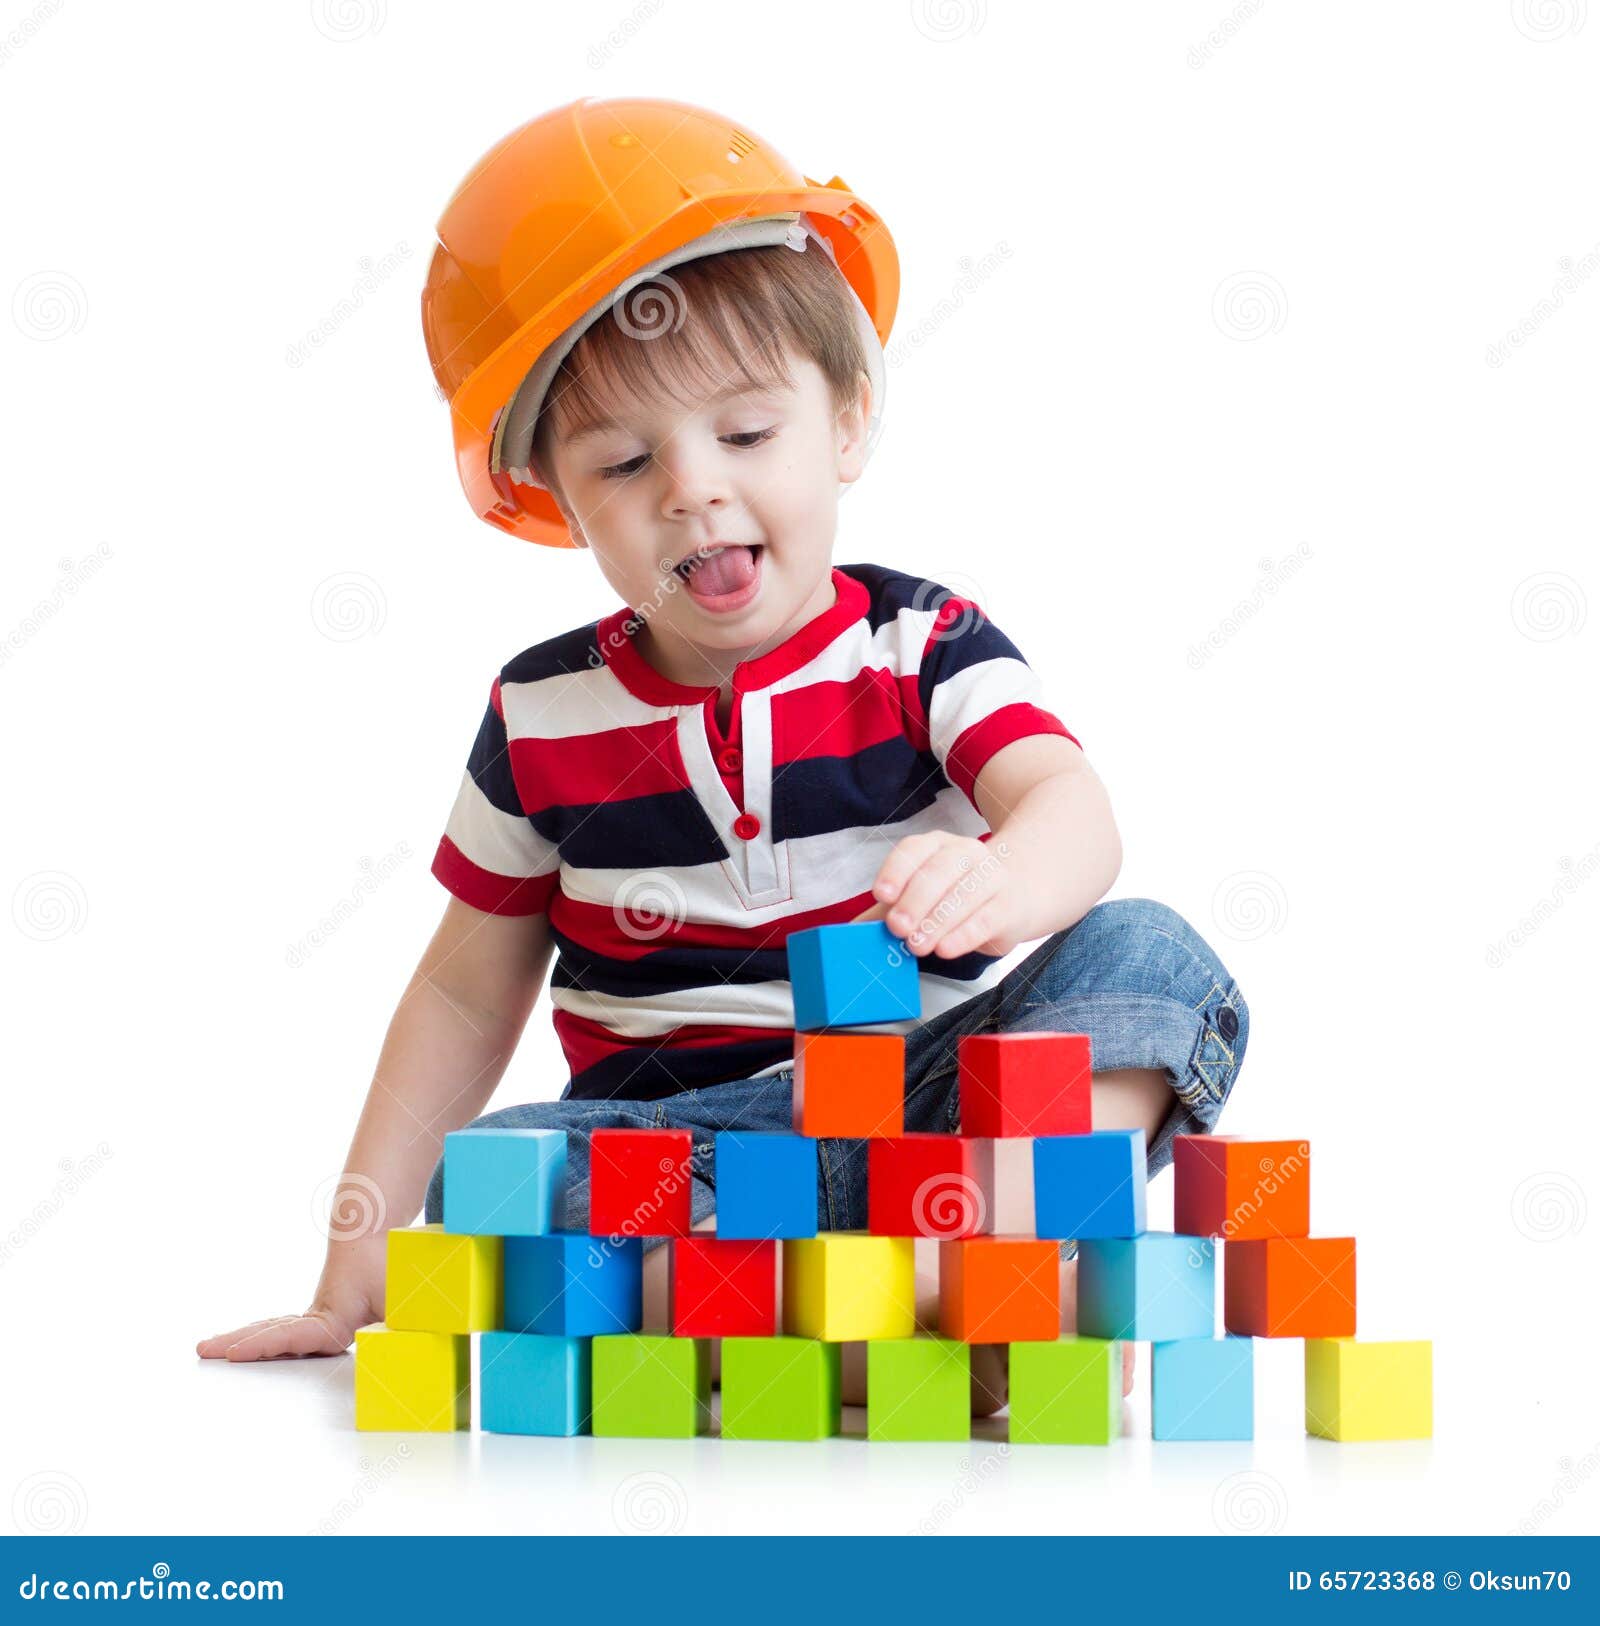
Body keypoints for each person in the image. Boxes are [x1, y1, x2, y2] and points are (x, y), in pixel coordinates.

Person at [197, 98, 1250, 1415]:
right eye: (627, 462)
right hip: (677, 1151)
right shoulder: (539, 715)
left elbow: (1067, 805)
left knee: (1150, 948)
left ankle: (1007, 1253)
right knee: (495, 1173)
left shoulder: (919, 642)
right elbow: (465, 995)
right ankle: (853, 1322)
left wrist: (1013, 881)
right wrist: (352, 1274)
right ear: (559, 502)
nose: (693, 488)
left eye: (746, 435)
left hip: (937, 1113)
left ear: (848, 423)